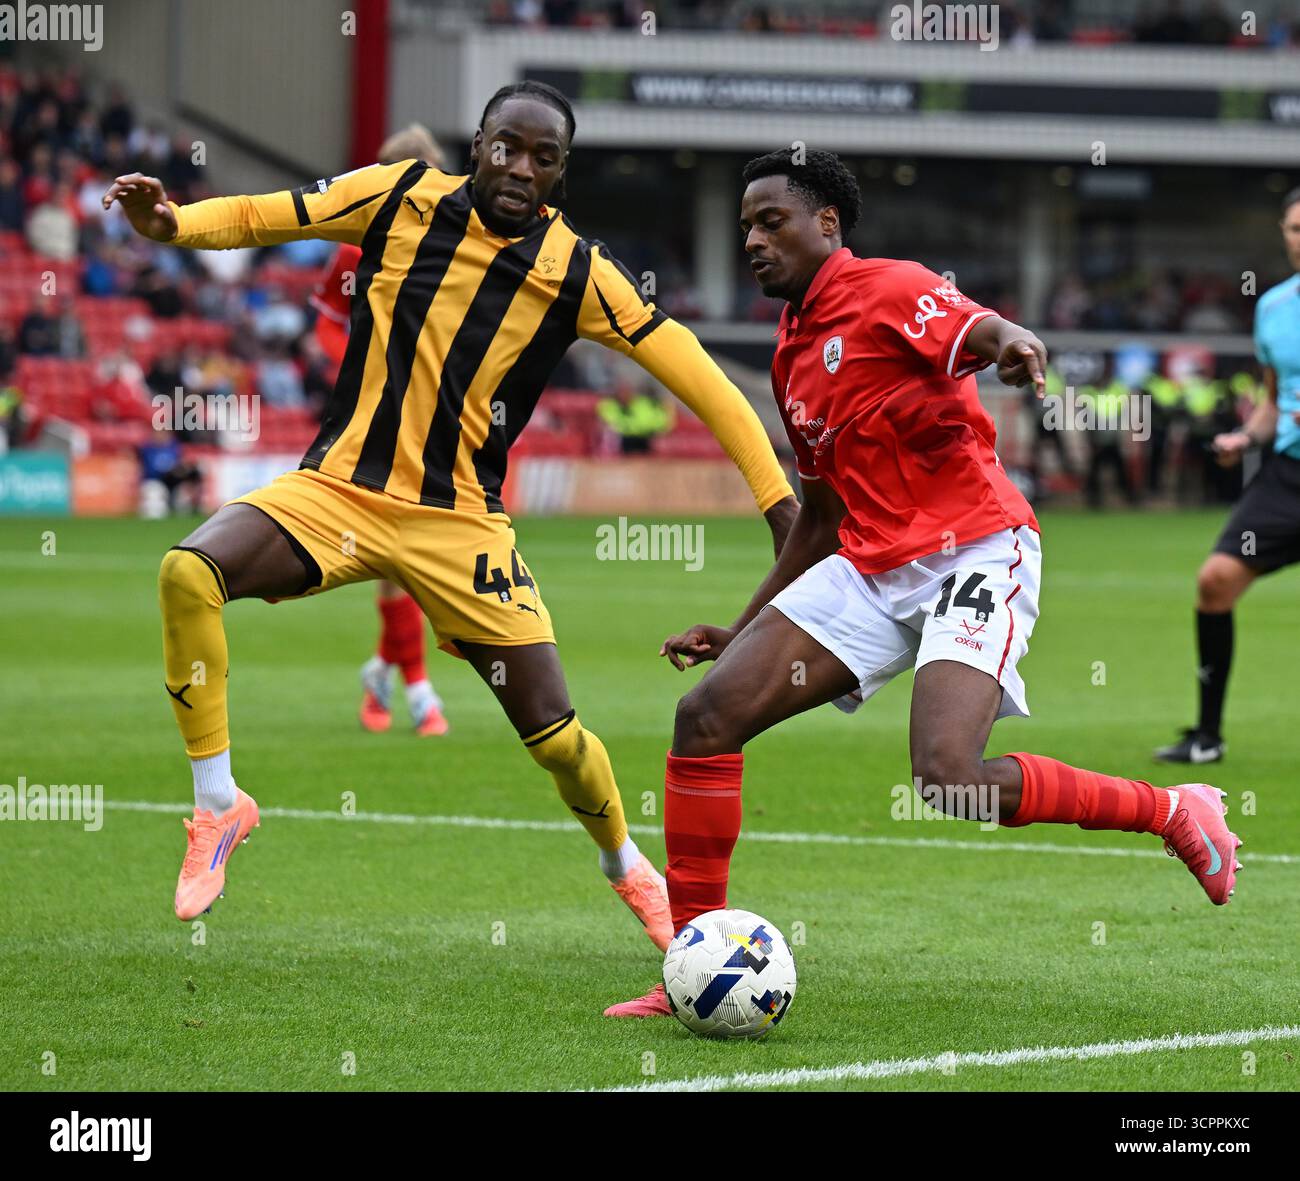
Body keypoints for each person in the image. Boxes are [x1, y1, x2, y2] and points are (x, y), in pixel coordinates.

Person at [102, 81, 798, 945]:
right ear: (476, 144)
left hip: (461, 526)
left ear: (560, 175)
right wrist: (174, 225)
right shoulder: (398, 194)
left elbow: (695, 371)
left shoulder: (577, 270)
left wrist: (777, 501)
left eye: (545, 158)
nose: (521, 168)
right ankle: (218, 805)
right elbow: (265, 214)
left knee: (557, 739)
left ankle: (626, 863)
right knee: (186, 572)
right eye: (507, 146)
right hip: (336, 493)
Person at [605, 149, 1241, 1018]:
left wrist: (1014, 343)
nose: (753, 238)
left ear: (828, 222)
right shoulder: (792, 358)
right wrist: (742, 626)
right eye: (745, 225)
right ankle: (691, 966)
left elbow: (981, 329)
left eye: (771, 220)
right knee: (707, 716)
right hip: (870, 566)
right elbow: (821, 519)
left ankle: (1173, 810)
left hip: (976, 548)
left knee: (948, 774)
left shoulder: (889, 287)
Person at [308, 123, 451, 737]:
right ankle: (418, 691)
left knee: (423, 554)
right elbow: (325, 326)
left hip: (441, 416)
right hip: (374, 419)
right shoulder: (356, 247)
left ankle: (381, 674)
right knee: (398, 553)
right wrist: (365, 366)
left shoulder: (458, 241)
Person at [1154, 188, 1300, 763]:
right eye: (1293, 228)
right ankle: (1207, 737)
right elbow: (1271, 400)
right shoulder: (1273, 308)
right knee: (1216, 581)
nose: (1299, 238)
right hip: (1288, 475)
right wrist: (1247, 436)